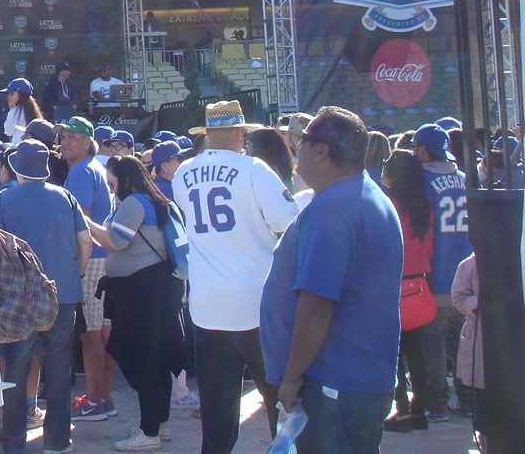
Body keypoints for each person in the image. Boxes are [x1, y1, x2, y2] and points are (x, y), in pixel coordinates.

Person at [260, 106, 404, 454]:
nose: (295, 148)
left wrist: (291, 377)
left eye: (302, 141)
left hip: (334, 383)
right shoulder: (362, 194)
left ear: (322, 150)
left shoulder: (333, 210)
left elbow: (317, 305)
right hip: (353, 380)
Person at [176, 100, 298, 454]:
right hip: (256, 301)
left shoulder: (185, 170)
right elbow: (289, 222)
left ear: (208, 134)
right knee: (278, 397)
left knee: (217, 407)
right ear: (241, 132)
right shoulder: (254, 168)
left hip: (207, 303)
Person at [0, 138, 91, 454]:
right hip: (64, 293)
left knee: (17, 372)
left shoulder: (4, 199)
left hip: (19, 298)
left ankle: (12, 443)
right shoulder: (65, 196)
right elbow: (85, 241)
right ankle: (58, 442)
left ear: (17, 167)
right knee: (60, 370)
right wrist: (77, 273)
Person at [90, 156, 187, 452]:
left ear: (124, 178)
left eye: (111, 182)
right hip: (162, 289)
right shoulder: (158, 200)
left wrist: (83, 222)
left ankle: (149, 432)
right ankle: (161, 425)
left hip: (143, 293)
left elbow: (116, 241)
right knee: (157, 360)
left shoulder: (134, 202)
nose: (110, 187)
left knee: (143, 361)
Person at [57, 114, 117, 422]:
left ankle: (94, 401)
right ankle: (102, 397)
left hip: (92, 259)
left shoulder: (81, 171)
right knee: (103, 333)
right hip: (105, 257)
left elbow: (80, 220)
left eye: (73, 138)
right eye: (64, 137)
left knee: (91, 334)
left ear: (88, 142)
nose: (66, 142)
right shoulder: (95, 167)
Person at [411, 121, 471, 422]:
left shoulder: (421, 181)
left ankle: (437, 404)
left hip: (436, 274)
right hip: (466, 276)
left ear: (423, 150)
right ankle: (468, 399)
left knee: (432, 339)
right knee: (461, 339)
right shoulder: (464, 177)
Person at [380, 149, 435, 432]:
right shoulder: (423, 205)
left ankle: (401, 412)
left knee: (395, 355)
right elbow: (429, 248)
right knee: (417, 353)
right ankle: (419, 410)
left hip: (392, 287)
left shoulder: (386, 204)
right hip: (420, 287)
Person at [450, 253, 484, 446]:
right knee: (481, 393)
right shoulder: (468, 265)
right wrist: (480, 303)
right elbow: (458, 298)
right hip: (479, 335)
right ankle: (483, 436)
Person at [0, 78, 42, 144]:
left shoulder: (14, 111)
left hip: (18, 150)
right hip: (34, 148)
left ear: (21, 94)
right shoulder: (35, 110)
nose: (8, 96)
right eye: (8, 94)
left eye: (12, 93)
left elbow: (8, 132)